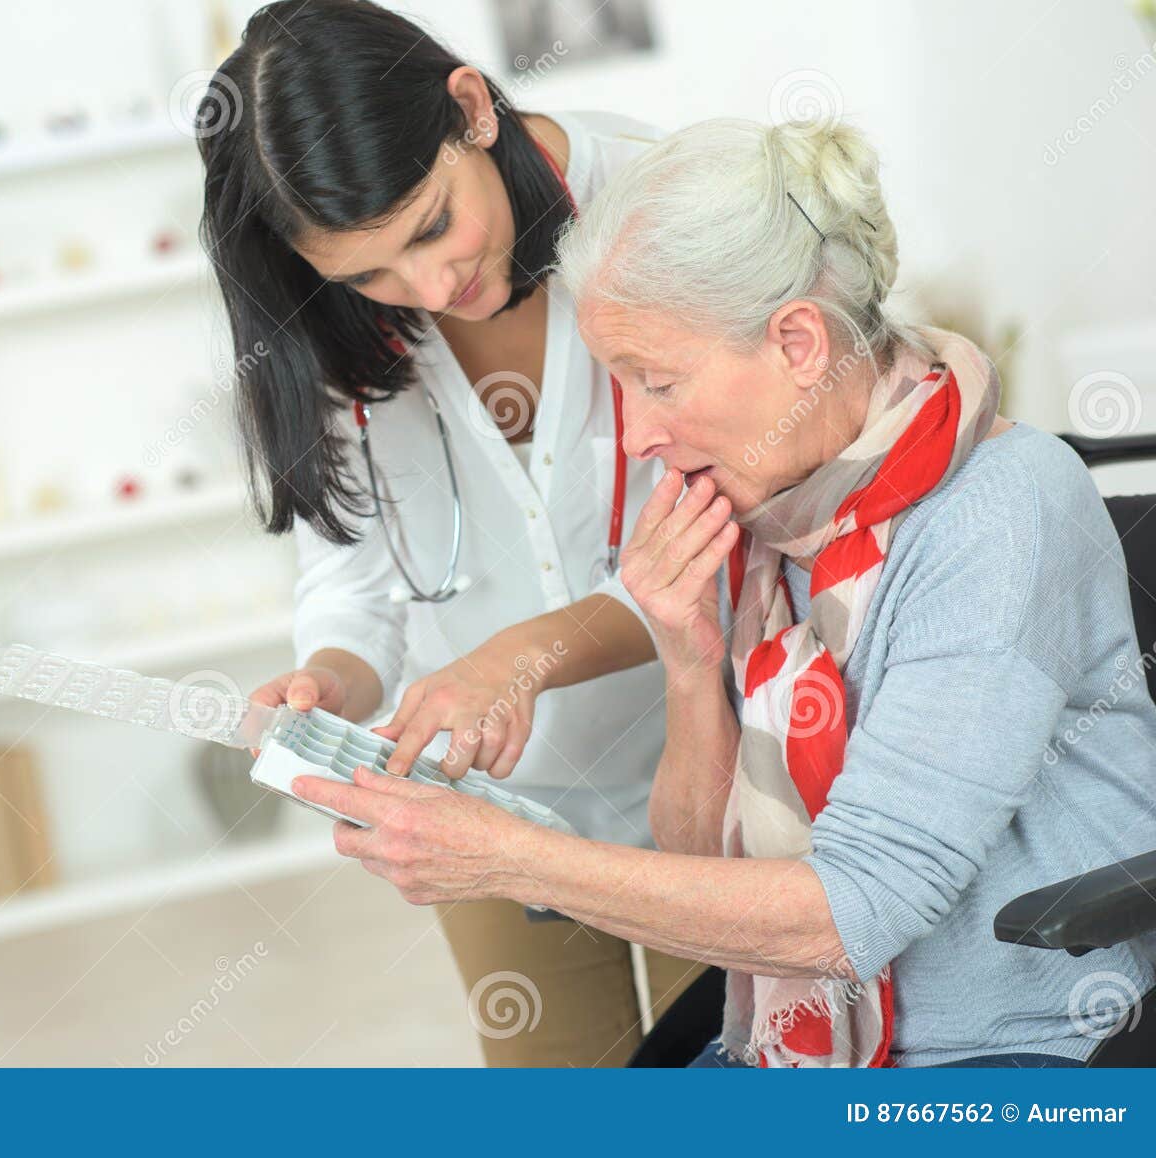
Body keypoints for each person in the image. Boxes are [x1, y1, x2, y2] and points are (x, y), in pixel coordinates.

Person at [293, 116, 1156, 1067]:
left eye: (657, 383)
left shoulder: (1000, 510)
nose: (637, 437)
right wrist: (687, 659)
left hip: (1016, 1052)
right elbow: (700, 864)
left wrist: (508, 858)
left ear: (798, 343)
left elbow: (854, 911)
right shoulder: (772, 515)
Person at [197, 0, 702, 1065]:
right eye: (368, 272)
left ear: (471, 108)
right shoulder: (327, 322)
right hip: (486, 811)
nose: (430, 290)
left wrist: (521, 658)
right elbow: (354, 583)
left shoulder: (663, 205)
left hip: (712, 772)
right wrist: (328, 683)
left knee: (730, 1090)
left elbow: (732, 544)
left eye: (431, 227)